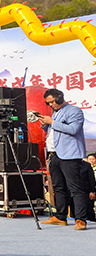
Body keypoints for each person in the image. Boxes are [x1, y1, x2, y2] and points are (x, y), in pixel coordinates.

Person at [39, 89, 89, 230]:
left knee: (75, 188)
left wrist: (52, 122)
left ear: (60, 98)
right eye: (48, 103)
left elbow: (73, 129)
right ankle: (60, 216)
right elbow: (56, 133)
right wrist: (45, 125)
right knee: (58, 188)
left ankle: (80, 219)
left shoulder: (74, 111)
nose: (51, 105)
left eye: (53, 101)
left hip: (70, 155)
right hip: (54, 155)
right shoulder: (55, 113)